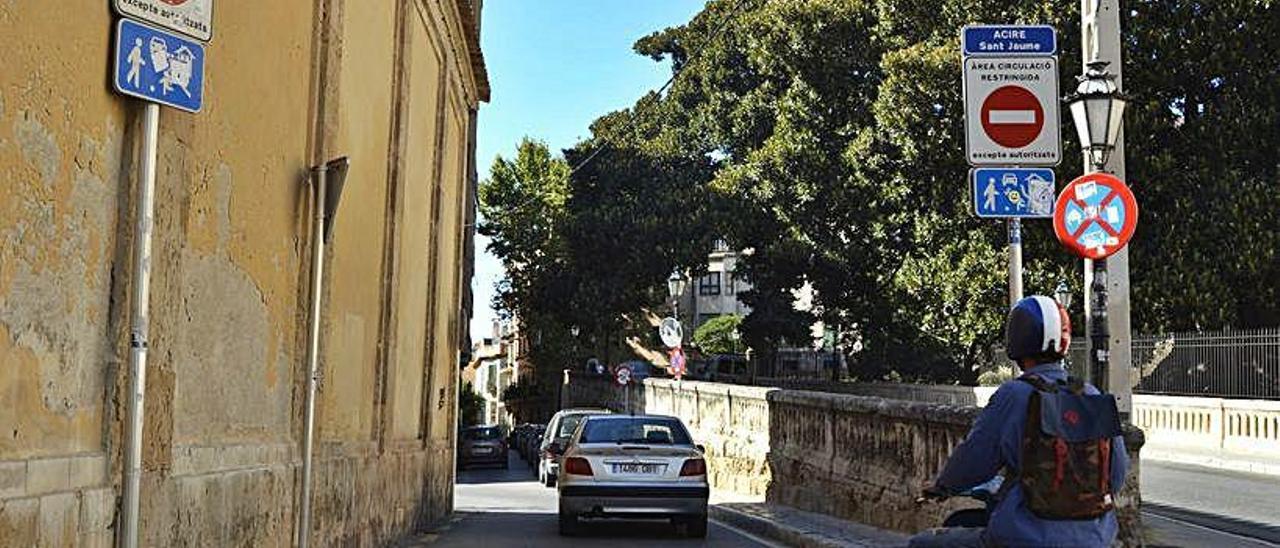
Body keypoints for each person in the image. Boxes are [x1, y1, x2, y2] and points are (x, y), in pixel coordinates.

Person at [910, 295, 1129, 548]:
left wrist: (942, 486)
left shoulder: (1014, 395)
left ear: (1017, 338)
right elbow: (1116, 475)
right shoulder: (1092, 395)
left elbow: (975, 458)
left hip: (1023, 537)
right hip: (1096, 539)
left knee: (922, 543)